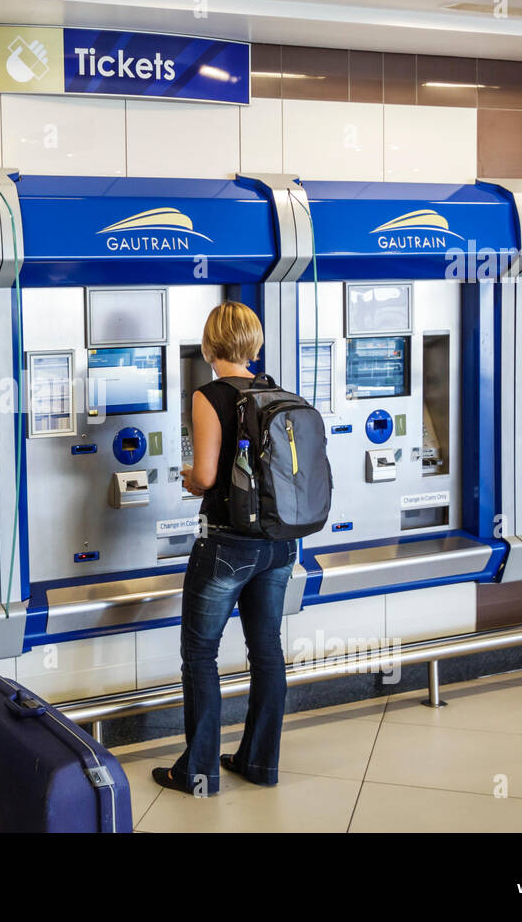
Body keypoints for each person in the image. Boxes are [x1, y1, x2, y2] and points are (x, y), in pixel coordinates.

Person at [153, 301, 295, 797]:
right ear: (253, 345)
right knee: (267, 650)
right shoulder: (278, 391)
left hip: (228, 547)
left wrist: (188, 480)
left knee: (200, 653)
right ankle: (259, 762)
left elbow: (208, 476)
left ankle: (198, 772)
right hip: (279, 545)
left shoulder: (209, 395)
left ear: (210, 345)